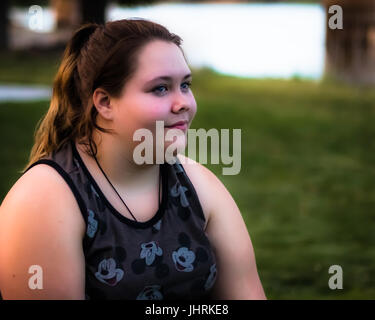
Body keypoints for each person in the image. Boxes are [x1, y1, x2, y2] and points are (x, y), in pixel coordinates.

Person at [0, 18, 266, 300]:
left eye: (185, 85)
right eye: (161, 88)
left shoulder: (198, 185)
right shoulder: (45, 199)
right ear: (104, 103)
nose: (184, 102)